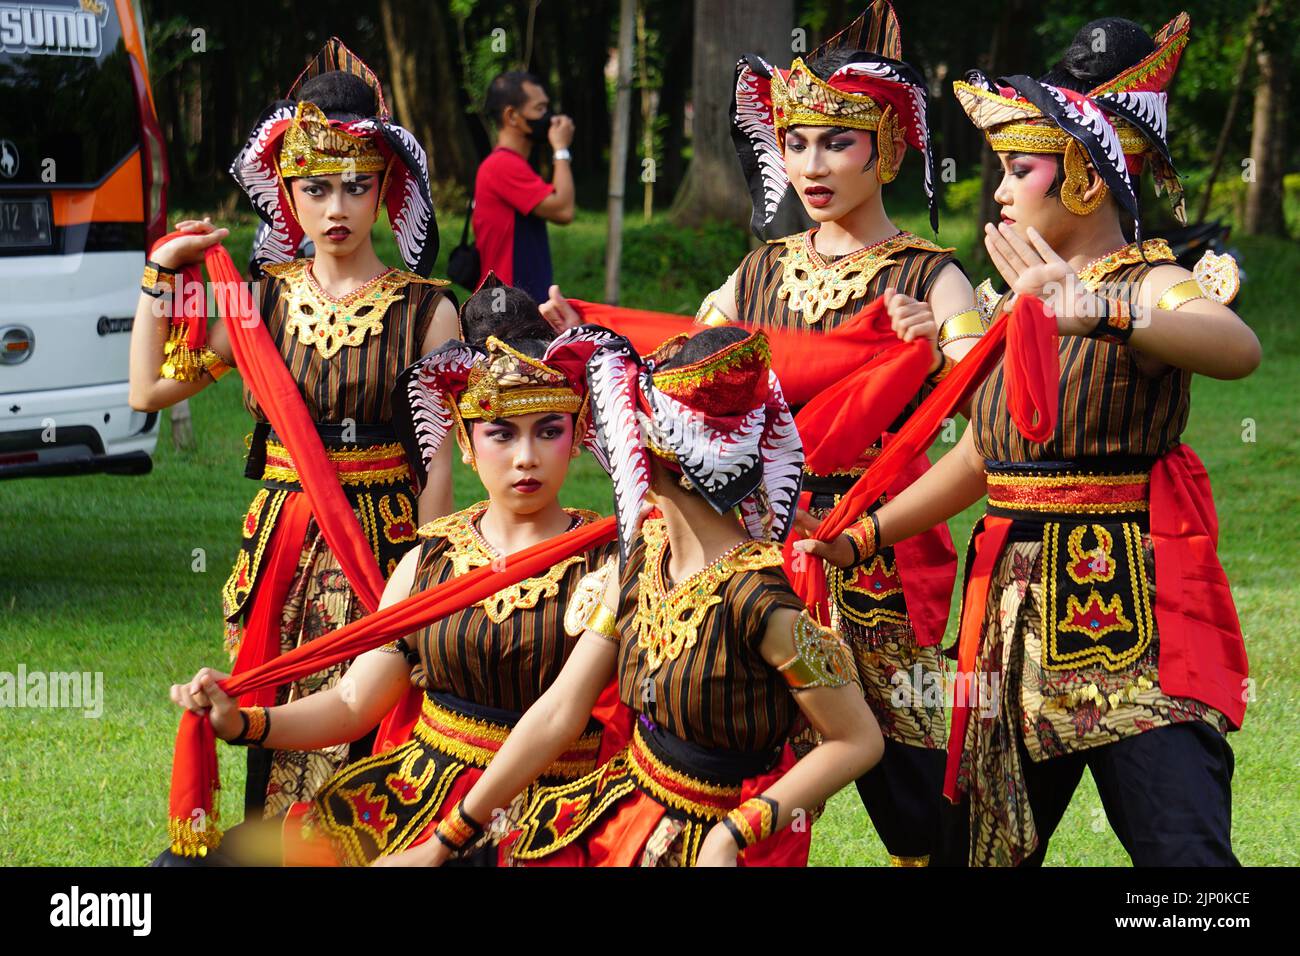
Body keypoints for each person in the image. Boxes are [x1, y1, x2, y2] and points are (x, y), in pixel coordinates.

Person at [797, 13, 1259, 866]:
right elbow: (983, 456)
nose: (1002, 194)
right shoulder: (1016, 302)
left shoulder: (1150, 280)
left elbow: (1237, 349)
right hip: (1008, 624)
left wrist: (1104, 312)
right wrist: (861, 535)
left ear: (1082, 175)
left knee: (1183, 856)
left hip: (1127, 621)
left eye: (1019, 170)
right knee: (978, 854)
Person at [162, 288, 622, 866]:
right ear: (466, 440)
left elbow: (561, 716)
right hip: (419, 792)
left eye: (547, 430)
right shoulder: (430, 560)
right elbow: (356, 701)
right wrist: (247, 721)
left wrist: (442, 845)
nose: (525, 456)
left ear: (578, 436)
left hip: (551, 810)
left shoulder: (610, 562)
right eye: (501, 433)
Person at [401, 325, 883, 867]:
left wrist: (734, 834)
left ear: (646, 451)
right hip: (626, 815)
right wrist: (448, 839)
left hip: (717, 843)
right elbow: (562, 707)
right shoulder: (643, 559)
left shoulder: (759, 601)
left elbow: (858, 739)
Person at [129, 39, 459, 820]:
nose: (335, 209)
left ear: (385, 190)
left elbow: (440, 466)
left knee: (373, 715)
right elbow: (147, 390)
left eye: (354, 186)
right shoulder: (259, 302)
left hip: (386, 538)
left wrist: (433, 586)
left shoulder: (428, 309)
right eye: (315, 189)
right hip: (282, 539)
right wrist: (160, 275)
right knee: (274, 715)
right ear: (287, 194)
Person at [709, 1, 977, 866]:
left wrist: (933, 352)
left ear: (887, 150)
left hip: (877, 551)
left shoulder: (931, 275)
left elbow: (995, 415)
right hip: (757, 546)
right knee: (744, 765)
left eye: (837, 142)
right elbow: (680, 388)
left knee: (921, 786)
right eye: (796, 143)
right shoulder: (757, 271)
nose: (811, 165)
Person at [473, 70, 576, 303]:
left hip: (516, 302)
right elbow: (564, 210)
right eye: (539, 109)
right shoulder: (502, 165)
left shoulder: (511, 164)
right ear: (512, 116)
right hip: (507, 307)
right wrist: (560, 149)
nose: (548, 118)